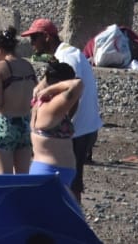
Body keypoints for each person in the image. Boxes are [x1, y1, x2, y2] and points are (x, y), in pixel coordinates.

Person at [20, 18, 101, 200]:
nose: (32, 43)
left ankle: (73, 216)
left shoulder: (67, 58)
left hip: (78, 129)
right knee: (70, 183)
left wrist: (61, 121)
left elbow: (73, 95)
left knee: (71, 187)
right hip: (86, 126)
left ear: (47, 37)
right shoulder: (68, 53)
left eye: (34, 38)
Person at [0, 26, 36, 174]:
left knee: (4, 178)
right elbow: (35, 95)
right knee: (23, 177)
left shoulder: (0, 67)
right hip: (24, 124)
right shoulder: (27, 65)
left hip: (5, 124)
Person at [27, 60, 84, 190]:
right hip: (52, 172)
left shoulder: (42, 100)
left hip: (52, 170)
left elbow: (47, 78)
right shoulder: (51, 107)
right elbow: (78, 84)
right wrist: (52, 88)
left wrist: (48, 85)